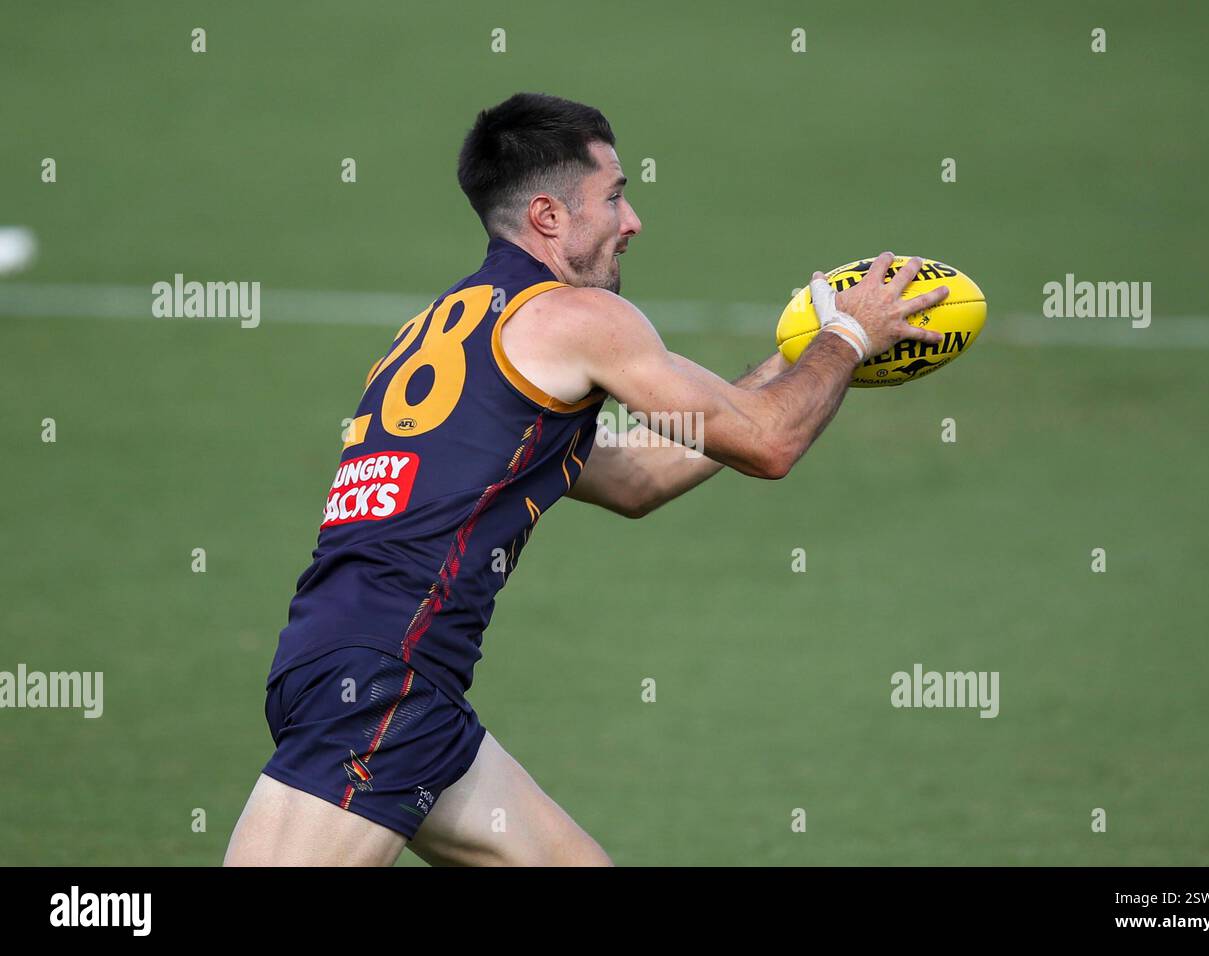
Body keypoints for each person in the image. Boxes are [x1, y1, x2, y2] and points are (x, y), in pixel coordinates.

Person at [224, 92, 946, 866]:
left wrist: (789, 361)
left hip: (364, 669)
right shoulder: (577, 317)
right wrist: (847, 336)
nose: (632, 221)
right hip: (381, 684)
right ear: (547, 216)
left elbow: (635, 479)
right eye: (615, 195)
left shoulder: (448, 326)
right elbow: (770, 442)